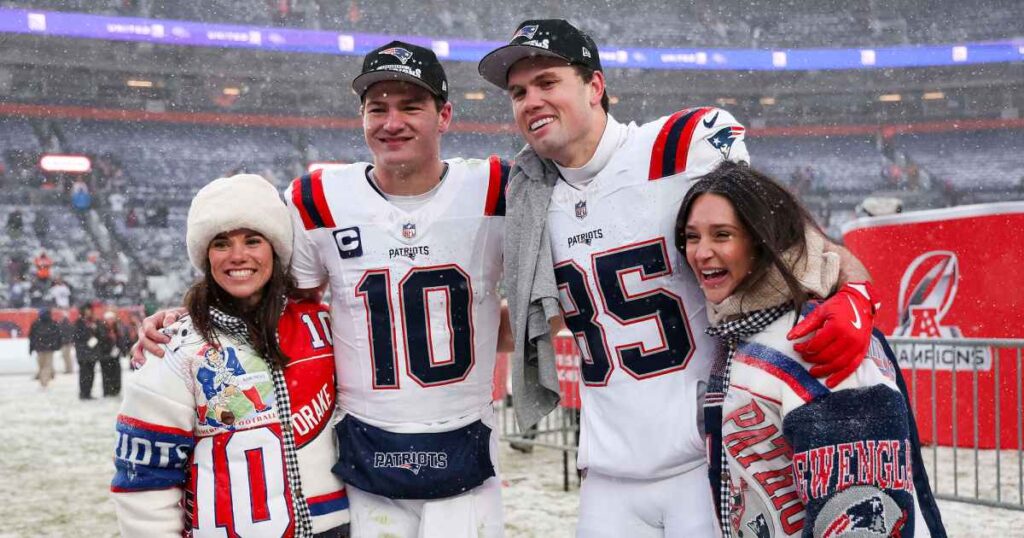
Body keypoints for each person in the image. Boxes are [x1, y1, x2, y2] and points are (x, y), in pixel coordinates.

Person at [478, 19, 879, 537]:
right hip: (605, 471)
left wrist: (856, 291)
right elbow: (549, 317)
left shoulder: (680, 148)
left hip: (704, 460)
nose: (530, 100)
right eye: (518, 92)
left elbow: (796, 238)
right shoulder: (530, 197)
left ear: (595, 86)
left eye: (547, 82)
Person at [137, 42, 511, 538]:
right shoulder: (318, 198)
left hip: (465, 441)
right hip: (366, 452)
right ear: (361, 117)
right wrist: (192, 318)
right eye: (377, 108)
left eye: (410, 106)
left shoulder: (496, 188)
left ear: (444, 115)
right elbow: (281, 307)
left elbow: (537, 301)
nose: (391, 122)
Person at [678, 162, 946, 537]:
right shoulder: (742, 332)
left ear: (761, 240)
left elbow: (868, 517)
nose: (702, 252)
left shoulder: (818, 335)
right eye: (692, 237)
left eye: (722, 235)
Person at [111, 174, 349, 537]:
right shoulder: (174, 347)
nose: (238, 256)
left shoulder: (324, 327)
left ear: (276, 249)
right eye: (221, 243)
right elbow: (145, 479)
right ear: (205, 255)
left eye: (253, 240)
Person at [96, 310, 129, 397]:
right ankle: (107, 391)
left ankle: (116, 390)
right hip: (105, 356)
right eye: (109, 319)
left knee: (116, 374)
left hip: (115, 356)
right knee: (106, 375)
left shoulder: (117, 328)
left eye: (112, 319)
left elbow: (121, 341)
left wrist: (122, 350)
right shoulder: (101, 328)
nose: (111, 321)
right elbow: (100, 342)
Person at [28, 307, 63, 389]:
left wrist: (31, 348)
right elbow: (58, 336)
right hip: (49, 348)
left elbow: (31, 337)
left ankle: (43, 381)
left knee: (42, 365)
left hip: (40, 348)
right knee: (47, 365)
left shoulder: (36, 323)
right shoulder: (53, 323)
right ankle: (44, 381)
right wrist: (57, 345)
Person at [73, 302, 101, 399]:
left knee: (91, 374)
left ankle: (88, 392)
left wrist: (95, 329)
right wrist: (88, 332)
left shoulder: (94, 321)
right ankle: (83, 393)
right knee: (84, 374)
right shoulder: (79, 322)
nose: (88, 312)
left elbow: (100, 335)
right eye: (87, 309)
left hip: (92, 352)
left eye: (90, 309)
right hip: (83, 352)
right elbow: (77, 337)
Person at [58, 310, 75, 374]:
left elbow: (61, 334)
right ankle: (69, 369)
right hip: (67, 342)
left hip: (65, 343)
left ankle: (69, 369)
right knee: (67, 356)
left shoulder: (61, 325)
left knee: (66, 356)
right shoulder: (69, 325)